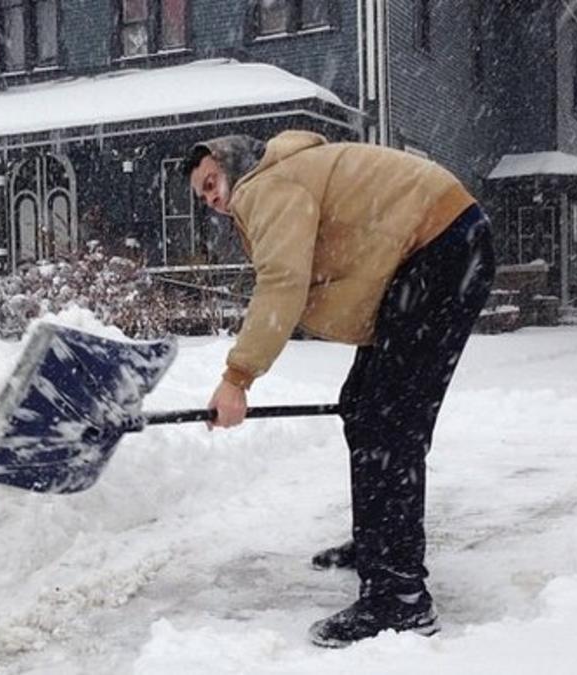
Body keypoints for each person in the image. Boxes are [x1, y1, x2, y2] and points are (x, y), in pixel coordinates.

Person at [185, 130, 495, 647]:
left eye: (212, 182)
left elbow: (282, 281)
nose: (212, 198)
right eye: (203, 196)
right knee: (364, 406)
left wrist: (237, 379)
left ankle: (399, 597)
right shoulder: (282, 179)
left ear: (233, 164)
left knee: (392, 421)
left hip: (441, 248)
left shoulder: (267, 186)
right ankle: (378, 543)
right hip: (438, 249)